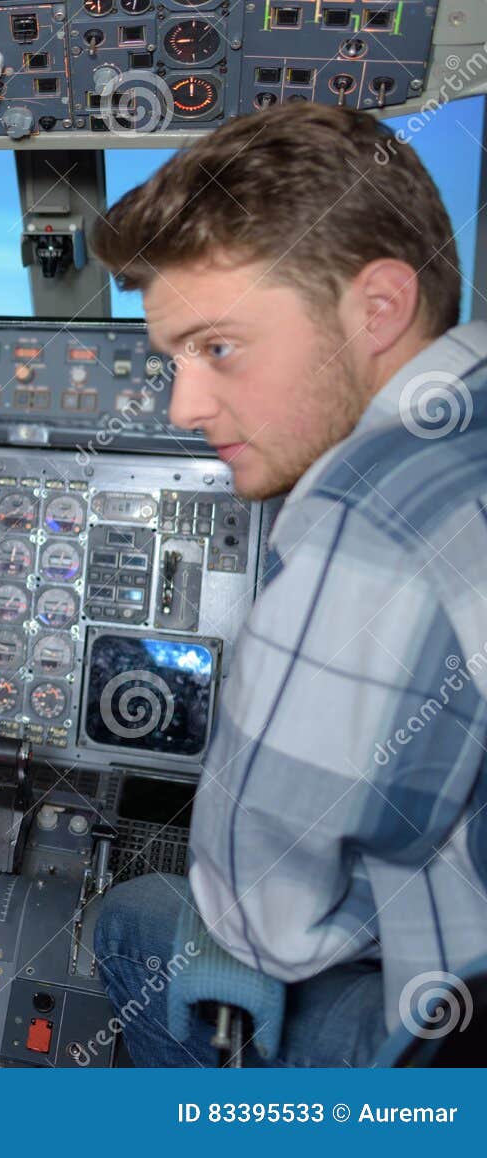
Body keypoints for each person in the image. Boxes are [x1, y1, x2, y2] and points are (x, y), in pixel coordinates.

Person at [88, 103, 487, 1066]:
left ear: (379, 307)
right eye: (172, 360)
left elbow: (265, 924)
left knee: (142, 919)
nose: (185, 407)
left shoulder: (372, 526)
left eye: (219, 347)